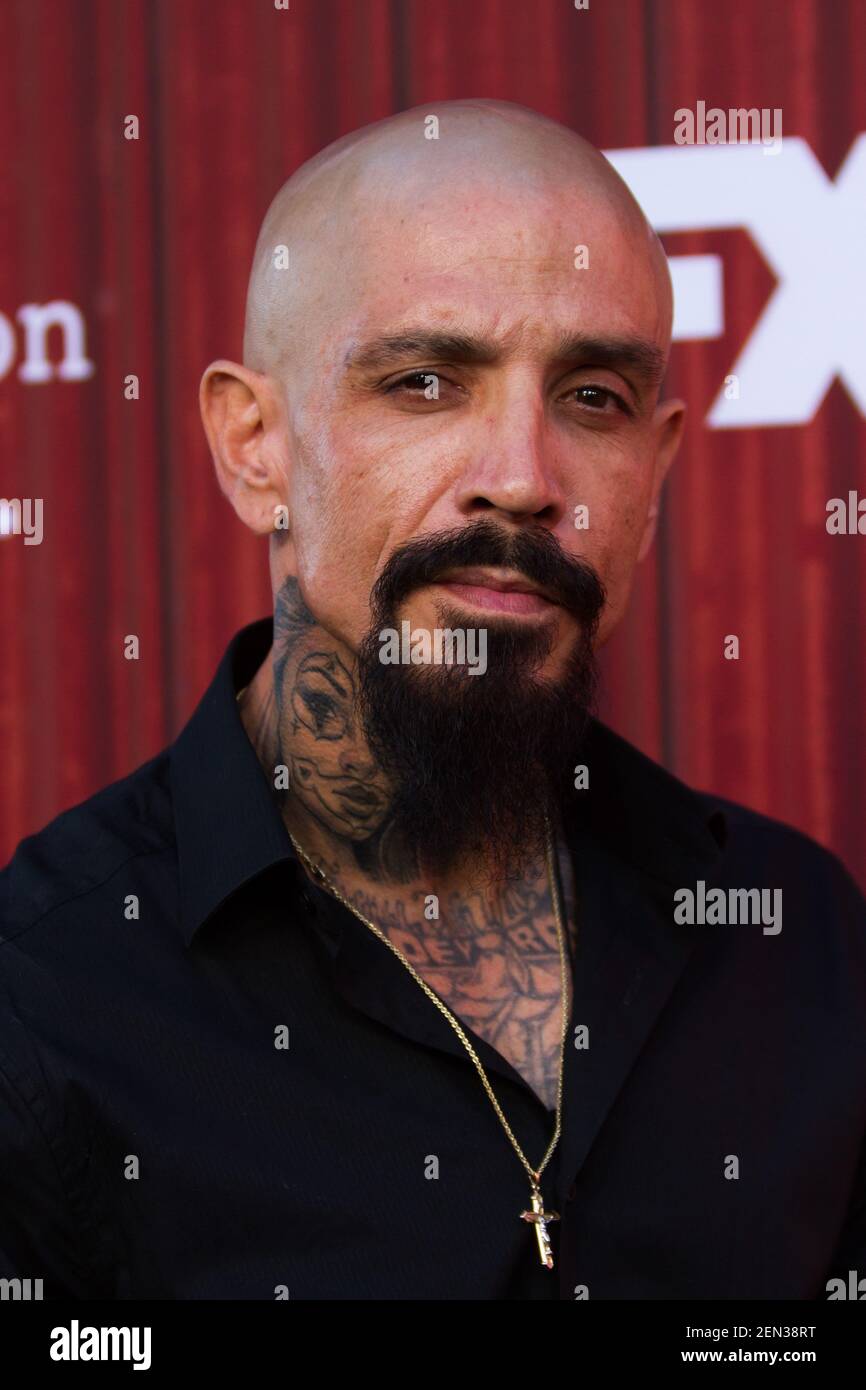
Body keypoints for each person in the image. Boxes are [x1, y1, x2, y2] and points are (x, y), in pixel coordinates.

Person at [1, 99, 864, 1301]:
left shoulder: (798, 939)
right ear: (255, 447)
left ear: (656, 473)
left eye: (592, 398)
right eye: (422, 382)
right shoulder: (44, 998)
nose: (519, 478)